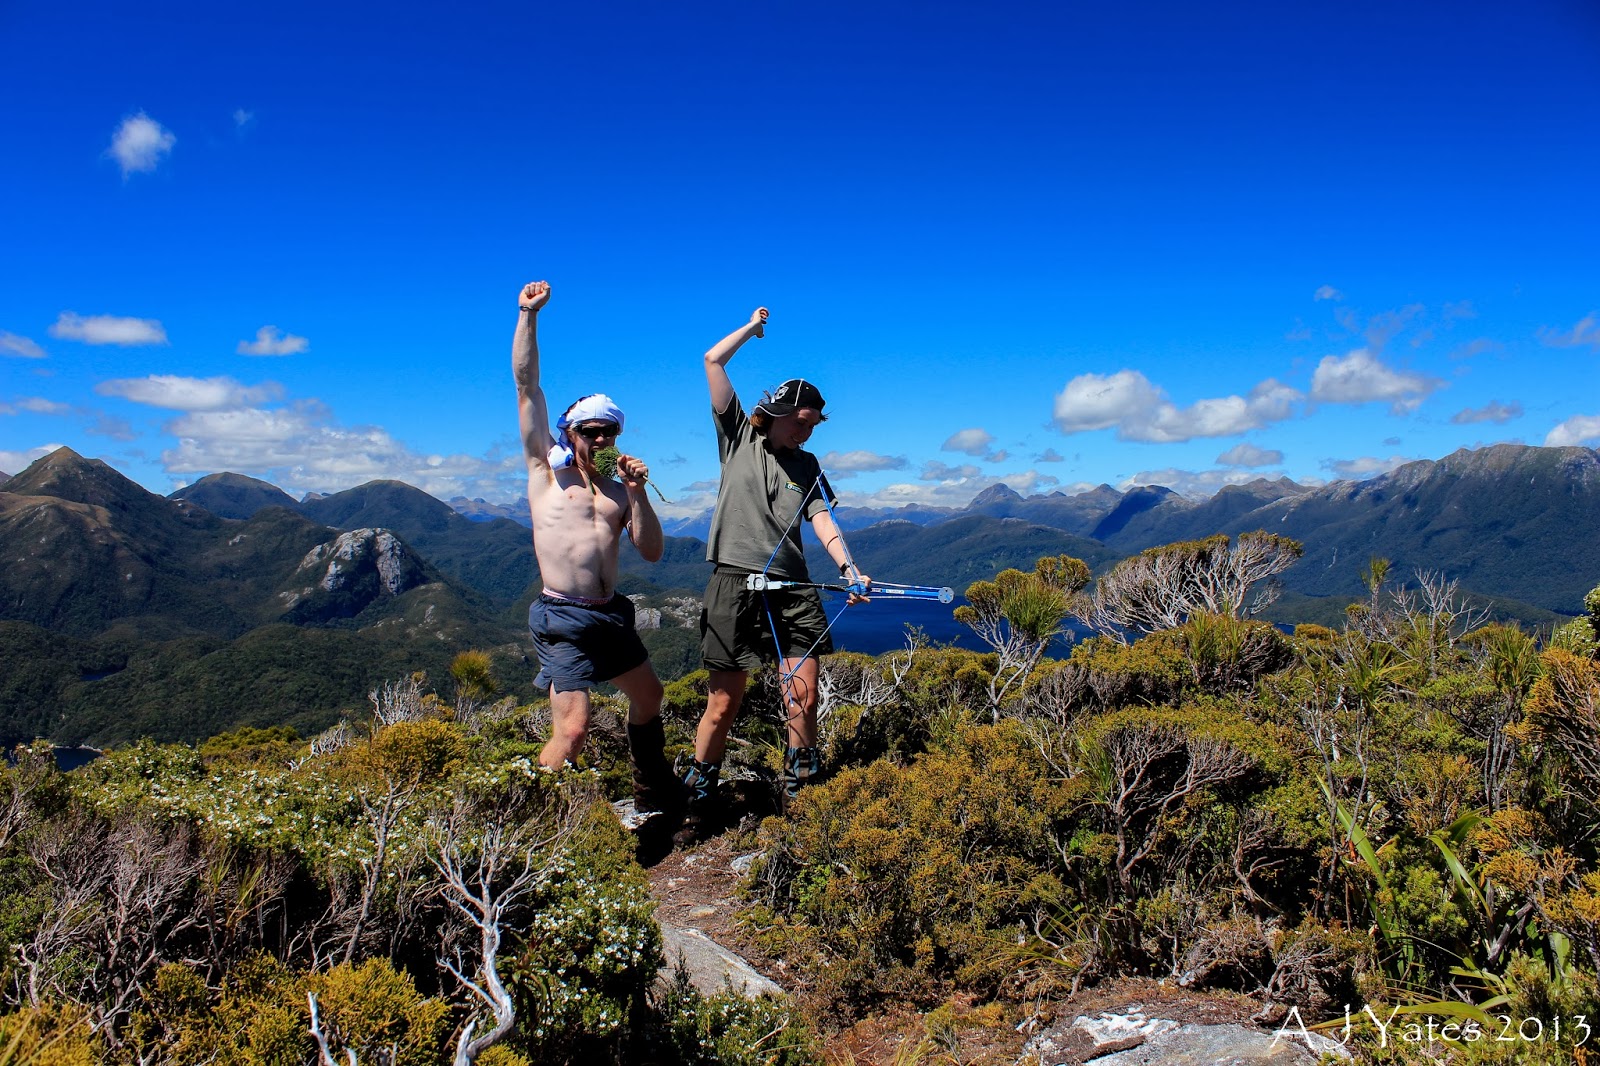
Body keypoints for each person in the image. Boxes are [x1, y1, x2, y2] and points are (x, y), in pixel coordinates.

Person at [680, 306, 869, 839]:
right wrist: (751, 329)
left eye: (812, 427)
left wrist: (850, 568)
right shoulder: (737, 437)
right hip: (733, 583)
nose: (806, 435)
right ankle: (698, 800)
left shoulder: (808, 468)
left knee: (801, 695)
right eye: (800, 424)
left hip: (793, 588)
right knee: (723, 701)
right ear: (778, 413)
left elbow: (822, 518)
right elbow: (712, 360)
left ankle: (801, 797)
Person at [513, 279, 679, 811]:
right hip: (562, 618)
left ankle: (650, 785)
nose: (603, 441)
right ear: (571, 434)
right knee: (575, 729)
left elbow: (650, 551)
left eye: (610, 432)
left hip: (609, 615)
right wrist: (528, 316)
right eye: (591, 432)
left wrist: (637, 495)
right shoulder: (545, 473)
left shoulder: (617, 491)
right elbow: (526, 387)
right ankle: (527, 820)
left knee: (650, 696)